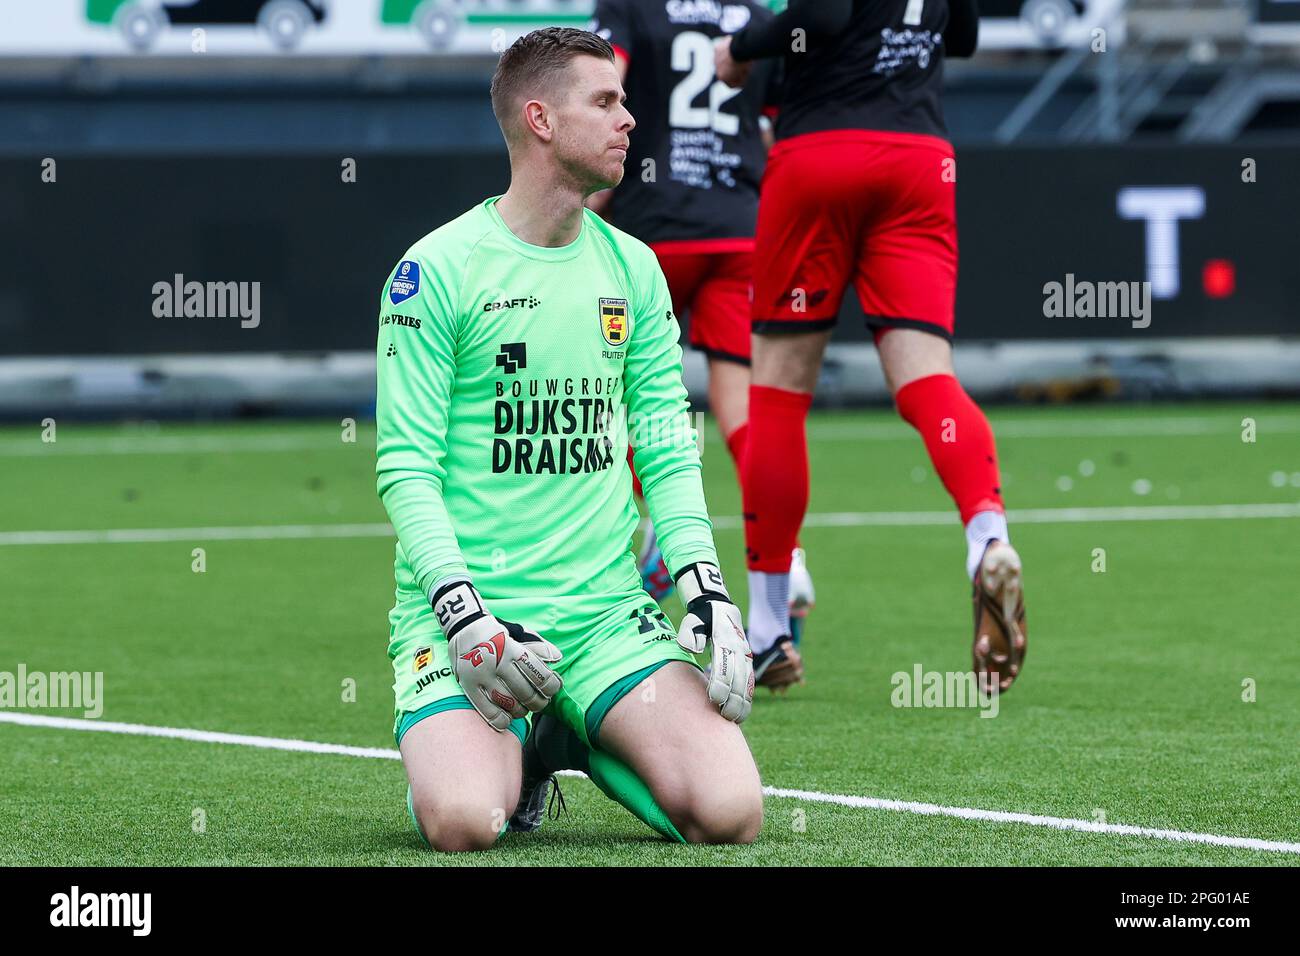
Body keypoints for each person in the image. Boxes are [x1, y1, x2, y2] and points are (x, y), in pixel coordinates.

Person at [375, 27, 762, 852]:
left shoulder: (635, 268)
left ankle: (568, 732)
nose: (630, 119)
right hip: (467, 623)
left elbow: (664, 443)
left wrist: (706, 588)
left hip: (604, 619)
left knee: (730, 813)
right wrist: (460, 612)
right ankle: (509, 756)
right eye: (608, 101)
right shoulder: (434, 269)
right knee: (464, 822)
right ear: (541, 119)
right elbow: (405, 466)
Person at [714, 0, 1028, 692]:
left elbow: (822, 15)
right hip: (918, 161)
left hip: (823, 155)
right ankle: (987, 536)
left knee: (778, 390)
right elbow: (966, 33)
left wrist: (740, 48)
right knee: (927, 381)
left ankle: (767, 628)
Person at [588, 0, 811, 689]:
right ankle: (783, 562)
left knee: (620, 394)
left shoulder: (630, 5)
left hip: (653, 226)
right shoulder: (757, 13)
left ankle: (623, 569)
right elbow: (774, 122)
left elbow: (599, 86)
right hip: (741, 226)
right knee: (745, 407)